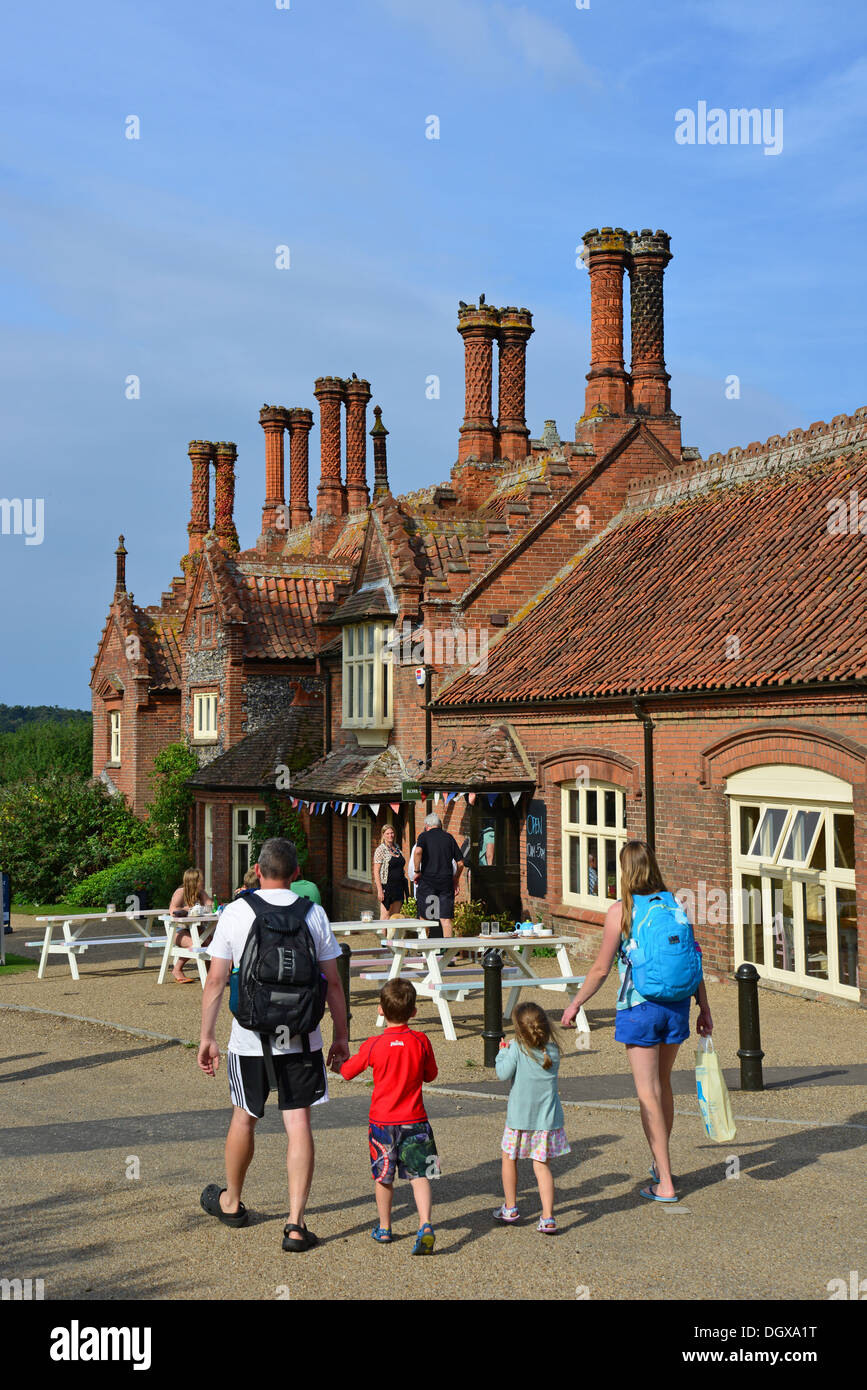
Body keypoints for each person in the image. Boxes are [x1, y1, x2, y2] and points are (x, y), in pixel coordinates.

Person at [197, 837, 349, 1250]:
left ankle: (231, 1202)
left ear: (259, 872)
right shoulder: (313, 914)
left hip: (250, 1038)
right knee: (298, 1124)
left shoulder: (236, 912)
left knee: (244, 1117)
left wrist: (207, 1037)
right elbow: (332, 982)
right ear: (296, 875)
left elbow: (215, 979)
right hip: (302, 1038)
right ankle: (296, 1224)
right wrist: (342, 1035)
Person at [561, 840, 712, 1203]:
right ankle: (661, 1167)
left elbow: (600, 968)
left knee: (647, 1092)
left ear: (625, 871)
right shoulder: (676, 905)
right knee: (663, 1085)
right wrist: (704, 1008)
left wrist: (575, 1004)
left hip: (640, 1007)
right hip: (677, 1005)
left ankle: (666, 1182)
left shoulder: (622, 911)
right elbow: (694, 958)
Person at [340, 978, 439, 1253]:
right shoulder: (421, 1040)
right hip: (416, 1120)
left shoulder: (374, 1044)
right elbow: (431, 1075)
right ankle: (425, 1223)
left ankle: (384, 1227)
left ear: (380, 1010)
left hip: (383, 1123)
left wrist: (338, 1062)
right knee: (420, 1175)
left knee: (384, 1177)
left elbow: (348, 1072)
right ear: (414, 1011)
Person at [493, 1002, 569, 1233]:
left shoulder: (516, 1047)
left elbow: (502, 1073)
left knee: (509, 1159)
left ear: (518, 1029)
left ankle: (510, 1206)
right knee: (542, 1166)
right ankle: (547, 1217)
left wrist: (502, 1052)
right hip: (545, 1121)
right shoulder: (553, 1050)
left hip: (519, 1120)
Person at [411, 812, 464, 939]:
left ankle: (424, 952)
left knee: (425, 917)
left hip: (428, 881)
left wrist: (417, 872)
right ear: (440, 825)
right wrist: (455, 878)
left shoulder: (424, 836)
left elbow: (418, 851)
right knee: (446, 919)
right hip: (445, 882)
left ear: (426, 826)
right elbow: (461, 863)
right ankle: (448, 954)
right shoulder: (449, 837)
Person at [168, 868, 212, 983]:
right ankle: (177, 969)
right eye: (201, 880)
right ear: (194, 881)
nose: (203, 882)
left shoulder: (201, 893)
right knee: (196, 945)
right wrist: (186, 909)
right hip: (179, 930)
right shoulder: (180, 892)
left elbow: (211, 906)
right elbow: (172, 910)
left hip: (198, 929)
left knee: (211, 943)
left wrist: (207, 903)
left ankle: (210, 973)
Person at [372, 824, 408, 933]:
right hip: (386, 887)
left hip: (398, 887)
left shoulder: (397, 848)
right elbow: (376, 871)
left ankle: (393, 941)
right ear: (383, 835)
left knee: (395, 916)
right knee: (385, 916)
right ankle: (383, 943)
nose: (390, 835)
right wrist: (379, 890)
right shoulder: (380, 850)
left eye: (392, 833)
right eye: (387, 833)